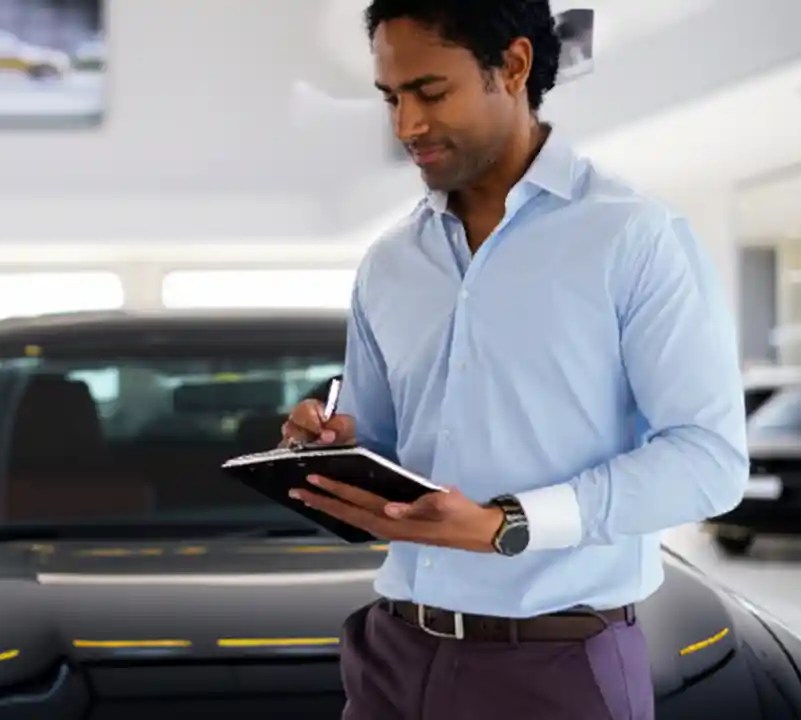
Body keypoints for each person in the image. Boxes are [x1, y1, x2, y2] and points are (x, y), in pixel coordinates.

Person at [280, 2, 748, 718]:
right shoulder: (390, 263)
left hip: (557, 666)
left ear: (515, 66)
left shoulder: (633, 237)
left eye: (431, 92)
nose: (407, 125)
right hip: (393, 657)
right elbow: (381, 444)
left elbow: (709, 460)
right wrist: (332, 447)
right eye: (391, 98)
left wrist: (511, 522)